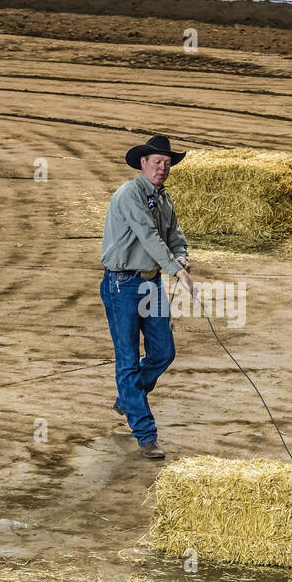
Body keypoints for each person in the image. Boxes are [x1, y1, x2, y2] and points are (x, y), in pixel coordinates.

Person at [99, 135, 195, 460]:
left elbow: (174, 237)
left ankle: (128, 398)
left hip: (149, 283)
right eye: (157, 162)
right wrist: (176, 270)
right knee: (127, 358)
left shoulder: (164, 200)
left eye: (167, 163)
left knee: (164, 352)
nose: (162, 168)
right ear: (143, 163)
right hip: (122, 284)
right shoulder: (129, 195)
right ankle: (145, 433)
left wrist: (181, 257)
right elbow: (148, 234)